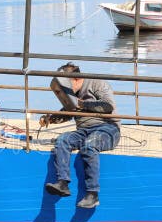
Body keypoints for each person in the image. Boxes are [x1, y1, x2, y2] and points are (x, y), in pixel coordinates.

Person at [41, 62, 120, 209]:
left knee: (90, 146)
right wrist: (51, 118)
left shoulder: (97, 83)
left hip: (107, 128)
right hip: (83, 130)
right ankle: (62, 183)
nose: (65, 90)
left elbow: (108, 106)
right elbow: (69, 111)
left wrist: (82, 104)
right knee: (62, 140)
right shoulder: (72, 94)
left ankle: (93, 194)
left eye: (66, 85)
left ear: (76, 79)